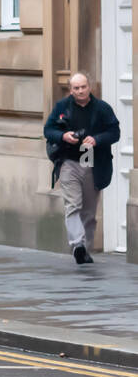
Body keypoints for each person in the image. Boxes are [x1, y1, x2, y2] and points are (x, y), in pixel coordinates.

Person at [44, 72, 121, 264]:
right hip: (69, 160)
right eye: (76, 88)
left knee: (88, 211)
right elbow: (48, 130)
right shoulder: (62, 107)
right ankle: (77, 244)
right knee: (73, 205)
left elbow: (115, 132)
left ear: (89, 87)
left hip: (91, 161)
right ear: (71, 90)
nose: (80, 91)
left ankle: (84, 250)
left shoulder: (102, 108)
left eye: (83, 87)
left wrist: (97, 139)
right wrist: (64, 136)